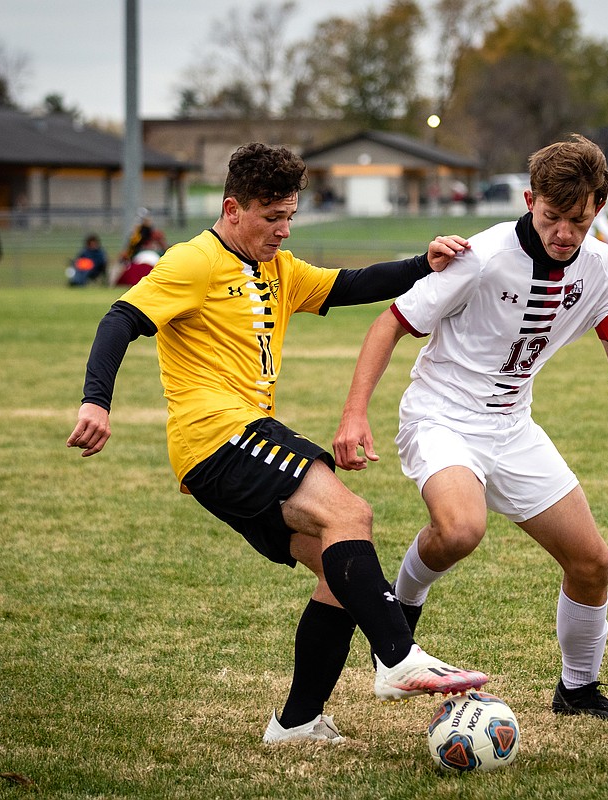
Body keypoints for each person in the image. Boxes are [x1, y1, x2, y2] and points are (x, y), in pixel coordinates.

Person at [65, 143, 488, 746]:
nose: (283, 231)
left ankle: (296, 723)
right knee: (351, 513)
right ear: (232, 208)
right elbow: (120, 319)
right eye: (271, 218)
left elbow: (352, 285)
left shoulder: (278, 270)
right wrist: (95, 401)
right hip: (219, 437)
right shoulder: (195, 261)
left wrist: (425, 261)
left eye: (290, 217)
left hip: (228, 450)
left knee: (338, 571)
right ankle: (397, 659)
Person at [332, 134, 608, 723]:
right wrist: (354, 412)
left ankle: (578, 690)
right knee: (462, 529)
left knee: (592, 562)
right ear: (529, 198)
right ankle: (404, 603)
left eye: (580, 220)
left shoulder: (597, 266)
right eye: (552, 217)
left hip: (513, 428)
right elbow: (390, 323)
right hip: (441, 416)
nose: (565, 233)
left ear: (598, 210)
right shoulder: (481, 257)